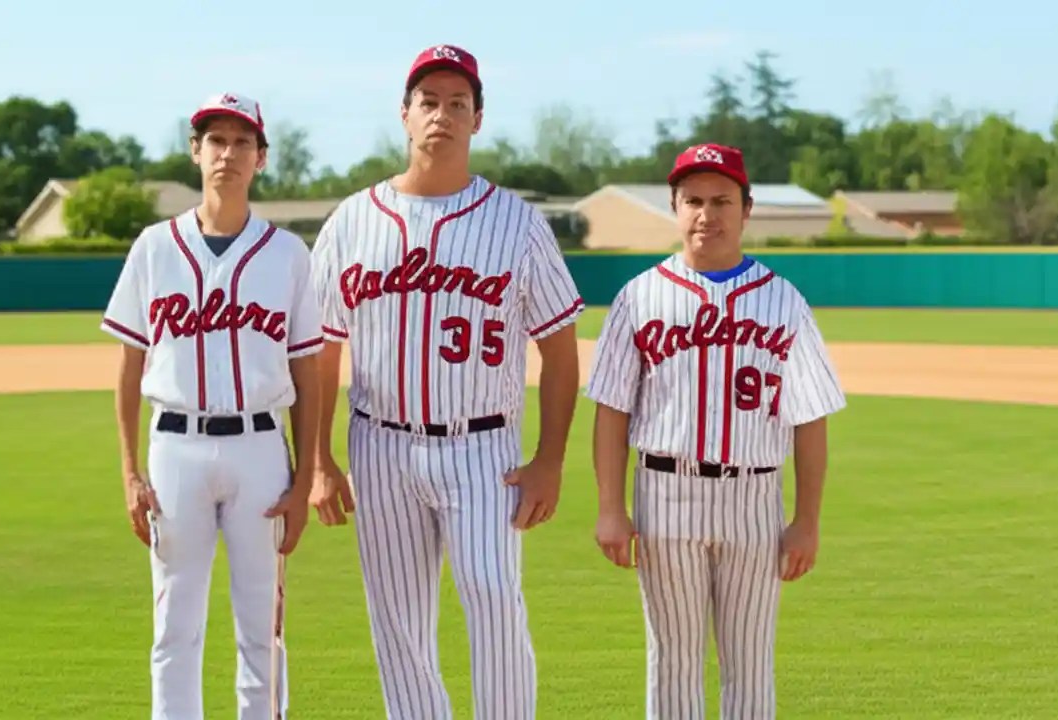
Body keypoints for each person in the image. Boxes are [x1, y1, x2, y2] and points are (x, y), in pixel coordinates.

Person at [307, 44, 584, 720]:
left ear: (477, 120)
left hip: (483, 448)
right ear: (404, 114)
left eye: (457, 103)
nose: (442, 114)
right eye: (428, 101)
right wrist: (318, 459)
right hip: (379, 444)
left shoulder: (517, 223)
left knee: (493, 598)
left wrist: (549, 459)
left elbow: (560, 348)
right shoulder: (352, 221)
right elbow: (320, 351)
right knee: (398, 621)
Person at [585, 143, 847, 719]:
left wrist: (806, 520)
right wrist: (610, 507)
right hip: (665, 493)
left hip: (753, 495)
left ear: (746, 209)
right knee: (672, 661)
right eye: (694, 200)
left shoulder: (784, 301)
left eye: (722, 201)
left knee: (749, 662)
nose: (708, 214)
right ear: (675, 208)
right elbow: (611, 410)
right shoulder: (639, 297)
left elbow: (810, 416)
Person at [99, 91, 321, 720]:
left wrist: (305, 477)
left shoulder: (288, 254)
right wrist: (129, 471)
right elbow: (129, 365)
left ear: (261, 157)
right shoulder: (153, 247)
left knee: (263, 629)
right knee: (174, 627)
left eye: (242, 141)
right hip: (176, 448)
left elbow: (308, 371)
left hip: (260, 448)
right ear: (195, 152)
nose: (228, 153)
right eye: (216, 140)